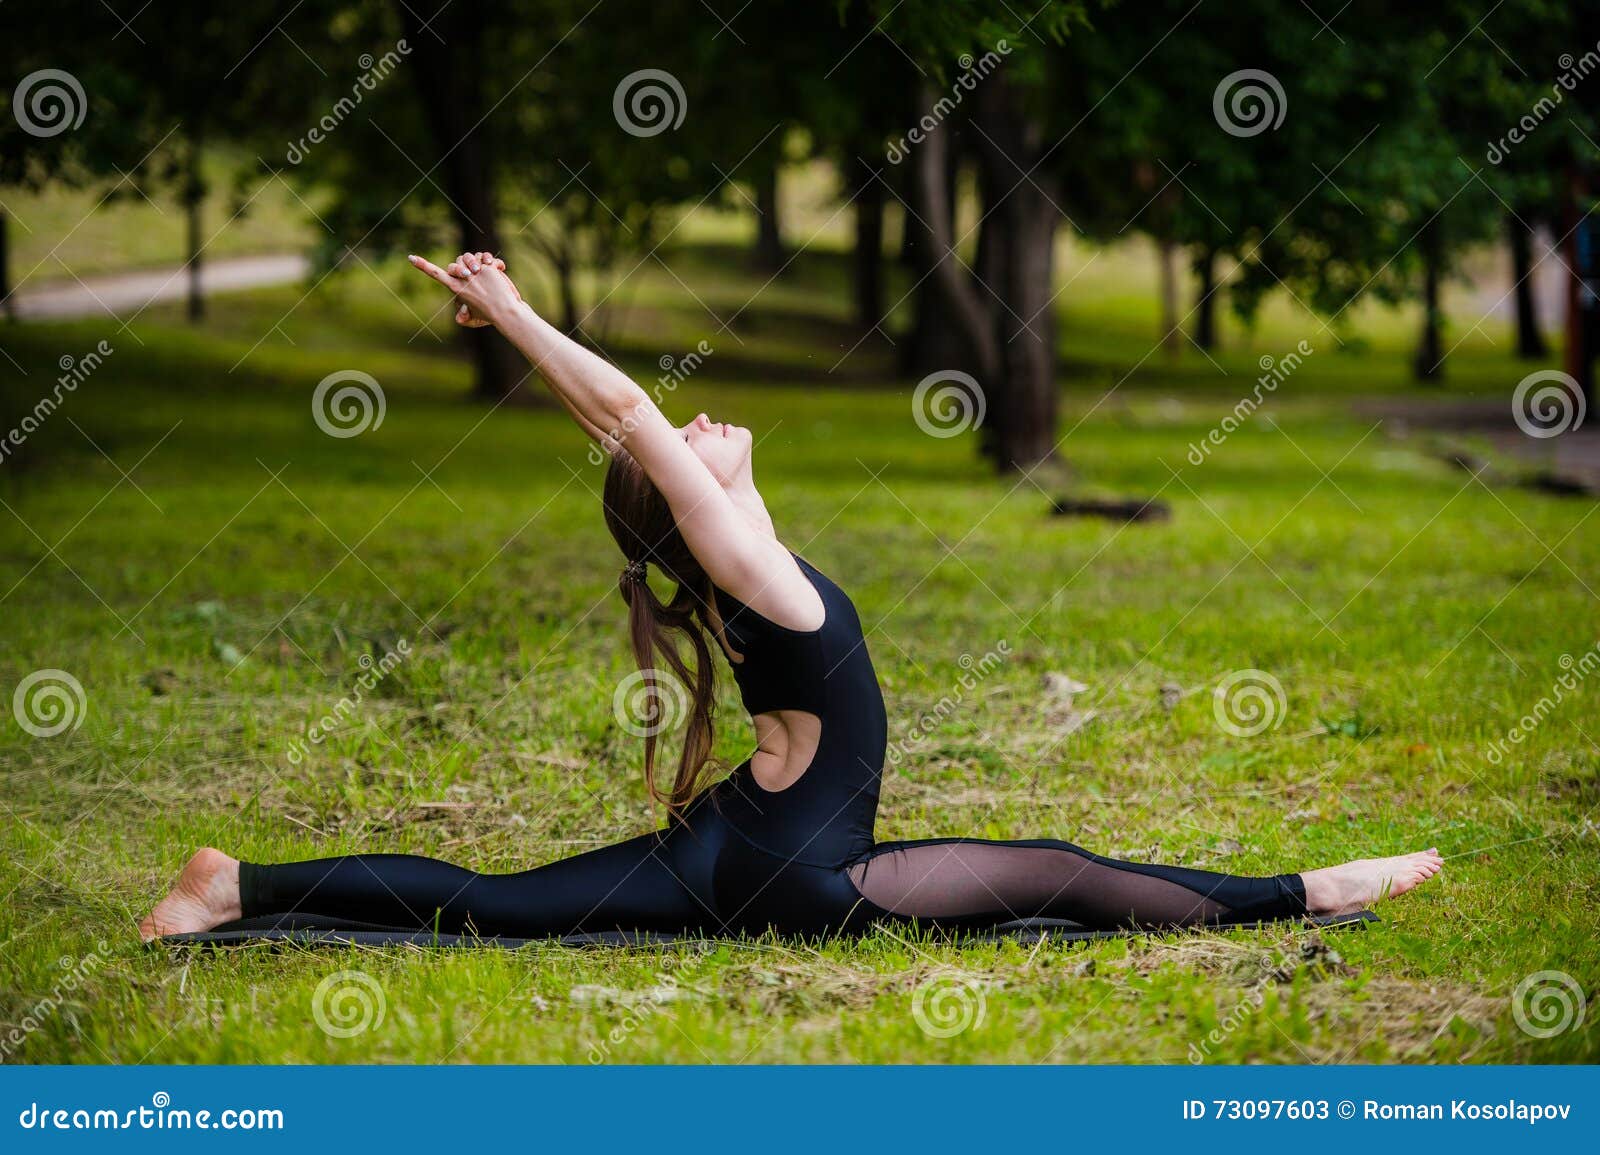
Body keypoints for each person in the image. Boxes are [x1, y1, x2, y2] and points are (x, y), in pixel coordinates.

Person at [138, 251, 1443, 943]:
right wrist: (518, 315)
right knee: (1060, 872)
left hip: (737, 841)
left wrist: (580, 381)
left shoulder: (745, 552)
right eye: (688, 450)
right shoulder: (746, 570)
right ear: (694, 513)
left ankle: (234, 882)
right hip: (801, 875)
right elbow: (631, 413)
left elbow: (646, 435)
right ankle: (1310, 892)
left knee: (500, 904)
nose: (701, 421)